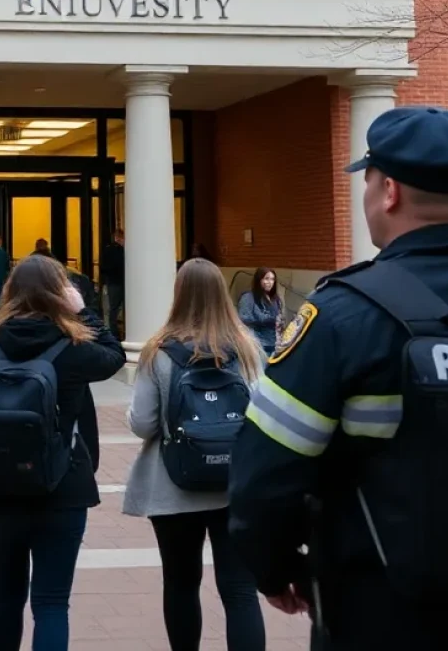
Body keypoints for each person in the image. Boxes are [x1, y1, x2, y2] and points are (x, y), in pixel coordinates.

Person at [229, 106, 448, 651]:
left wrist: (273, 568)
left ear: (387, 190)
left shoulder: (344, 316)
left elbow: (266, 474)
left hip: (384, 607)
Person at [0, 254, 125, 651]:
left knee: (6, 592)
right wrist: (86, 313)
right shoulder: (71, 347)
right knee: (51, 602)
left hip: (0, 487)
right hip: (63, 484)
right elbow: (115, 356)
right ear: (59, 294)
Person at [124, 258, 266, 651]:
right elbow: (264, 416)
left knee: (181, 583)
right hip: (236, 484)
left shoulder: (159, 351)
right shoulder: (247, 349)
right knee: (240, 591)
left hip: (174, 483)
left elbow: (143, 424)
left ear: (179, 294)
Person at [236, 267, 283, 356]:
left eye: (272, 279)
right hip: (257, 344)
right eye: (266, 278)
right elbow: (243, 318)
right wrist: (263, 320)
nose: (270, 282)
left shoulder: (275, 299)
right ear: (259, 280)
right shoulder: (248, 297)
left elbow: (278, 319)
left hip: (274, 344)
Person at [100, 229, 125, 336]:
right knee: (115, 308)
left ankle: (114, 332)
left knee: (113, 308)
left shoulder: (108, 250)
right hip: (118, 282)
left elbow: (104, 267)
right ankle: (115, 332)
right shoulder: (118, 250)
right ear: (118, 238)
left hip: (113, 282)